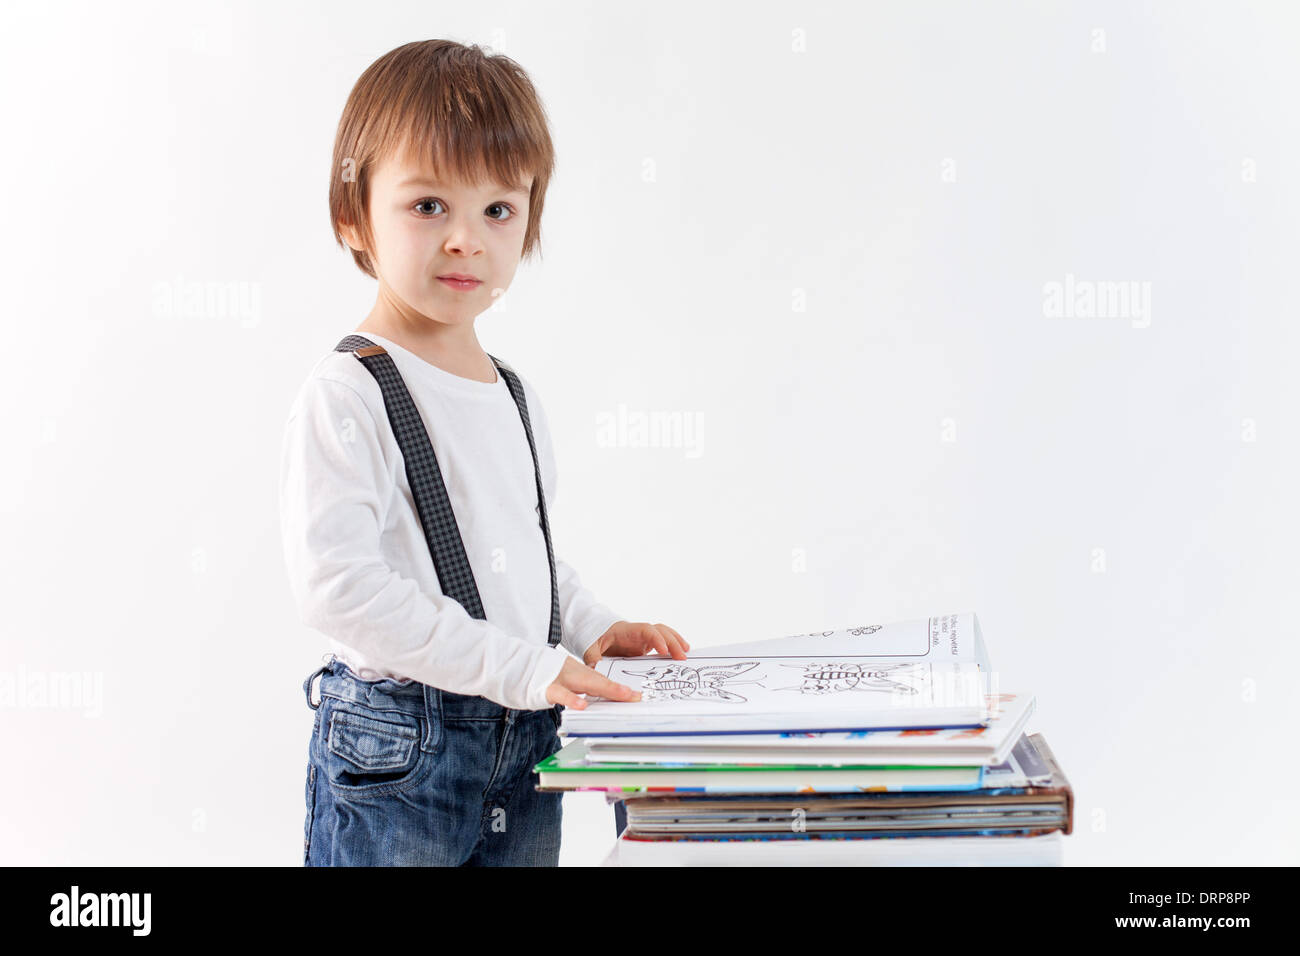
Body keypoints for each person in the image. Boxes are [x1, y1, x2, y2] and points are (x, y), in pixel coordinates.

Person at [279, 39, 689, 866]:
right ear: (352, 215)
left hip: (524, 743)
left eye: (497, 210)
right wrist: (516, 667)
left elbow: (523, 559)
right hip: (403, 753)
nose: (466, 239)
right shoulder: (351, 391)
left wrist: (595, 626)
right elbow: (340, 588)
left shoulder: (512, 391)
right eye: (428, 205)